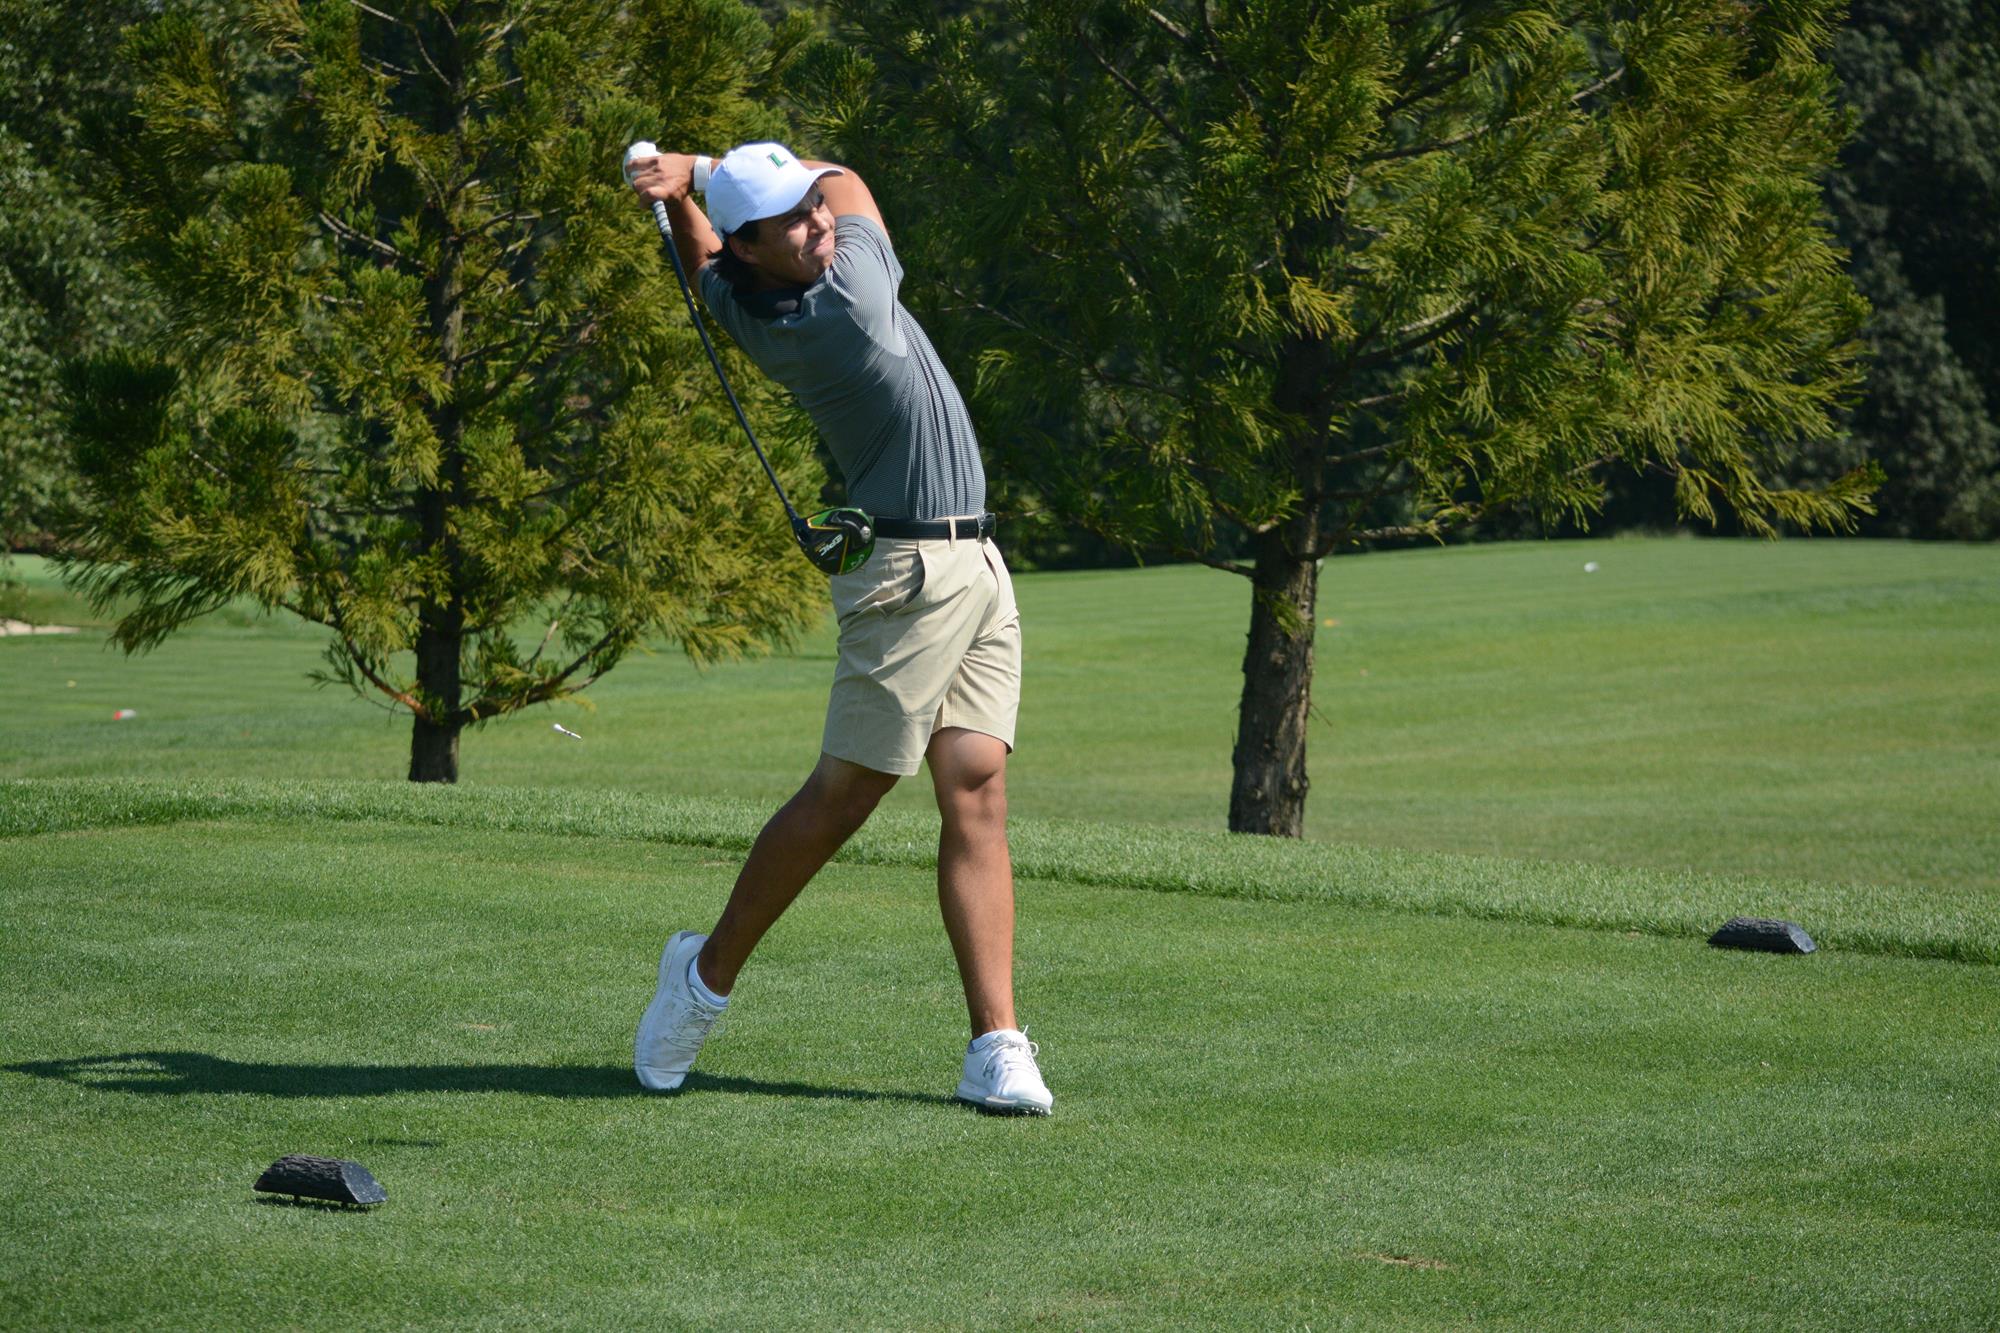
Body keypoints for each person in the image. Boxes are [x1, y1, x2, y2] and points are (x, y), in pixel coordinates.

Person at [625, 141, 1052, 1115]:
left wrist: (689, 193)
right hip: (907, 576)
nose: (817, 223)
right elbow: (849, 179)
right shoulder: (843, 299)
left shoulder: (747, 293)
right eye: (792, 221)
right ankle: (701, 979)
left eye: (808, 215)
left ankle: (994, 1042)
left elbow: (702, 271)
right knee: (841, 799)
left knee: (975, 787)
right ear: (754, 245)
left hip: (973, 561)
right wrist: (696, 165)